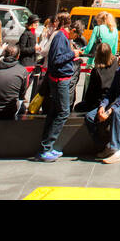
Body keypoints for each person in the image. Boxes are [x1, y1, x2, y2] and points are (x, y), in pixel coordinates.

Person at [35, 13, 77, 162]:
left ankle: (46, 146)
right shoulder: (60, 37)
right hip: (60, 80)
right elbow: (57, 59)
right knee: (63, 112)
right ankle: (47, 146)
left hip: (58, 78)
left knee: (55, 111)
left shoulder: (59, 36)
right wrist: (73, 54)